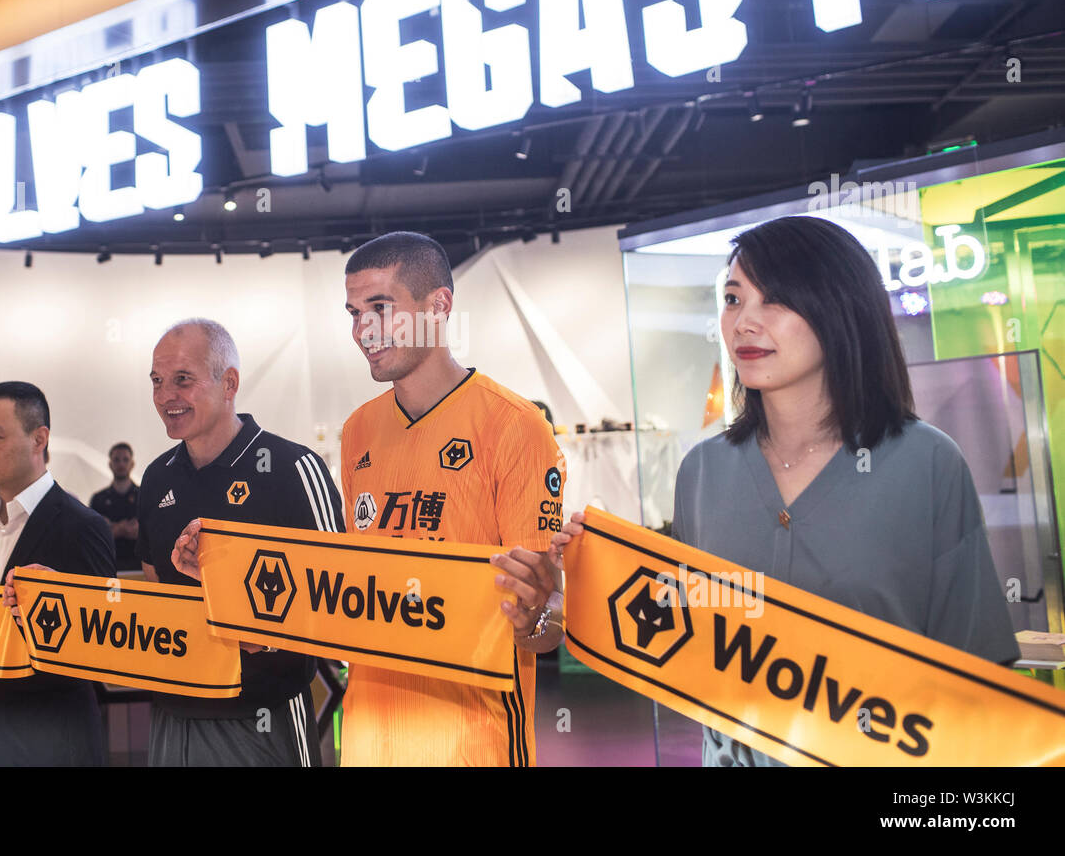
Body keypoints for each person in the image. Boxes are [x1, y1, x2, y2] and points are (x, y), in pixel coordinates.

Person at [555, 215, 1019, 767]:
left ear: (838, 308)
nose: (743, 323)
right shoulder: (702, 471)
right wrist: (583, 584)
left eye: (773, 300)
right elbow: (692, 640)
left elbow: (976, 670)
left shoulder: (928, 464)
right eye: (732, 299)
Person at [339, 231, 564, 766]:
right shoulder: (357, 432)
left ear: (438, 306)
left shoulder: (516, 427)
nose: (362, 330)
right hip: (369, 739)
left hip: (472, 743)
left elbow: (546, 620)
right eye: (352, 312)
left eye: (380, 307)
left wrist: (536, 617)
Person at [146, 319, 344, 766]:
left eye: (182, 380)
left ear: (229, 382)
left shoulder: (293, 469)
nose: (165, 397)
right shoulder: (156, 478)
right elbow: (154, 591)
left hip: (261, 716)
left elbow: (340, 606)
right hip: (171, 714)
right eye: (157, 382)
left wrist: (262, 634)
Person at [0, 381, 114, 766]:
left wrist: (66, 602)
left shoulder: (82, 525)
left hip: (52, 737)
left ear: (39, 439)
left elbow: (109, 643)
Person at [89, 442, 140, 571]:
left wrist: (113, 528)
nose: (121, 464)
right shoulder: (98, 499)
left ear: (132, 464)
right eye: (116, 460)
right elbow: (94, 536)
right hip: (107, 567)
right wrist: (121, 529)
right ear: (110, 464)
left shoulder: (144, 496)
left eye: (125, 460)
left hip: (139, 568)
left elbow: (150, 531)